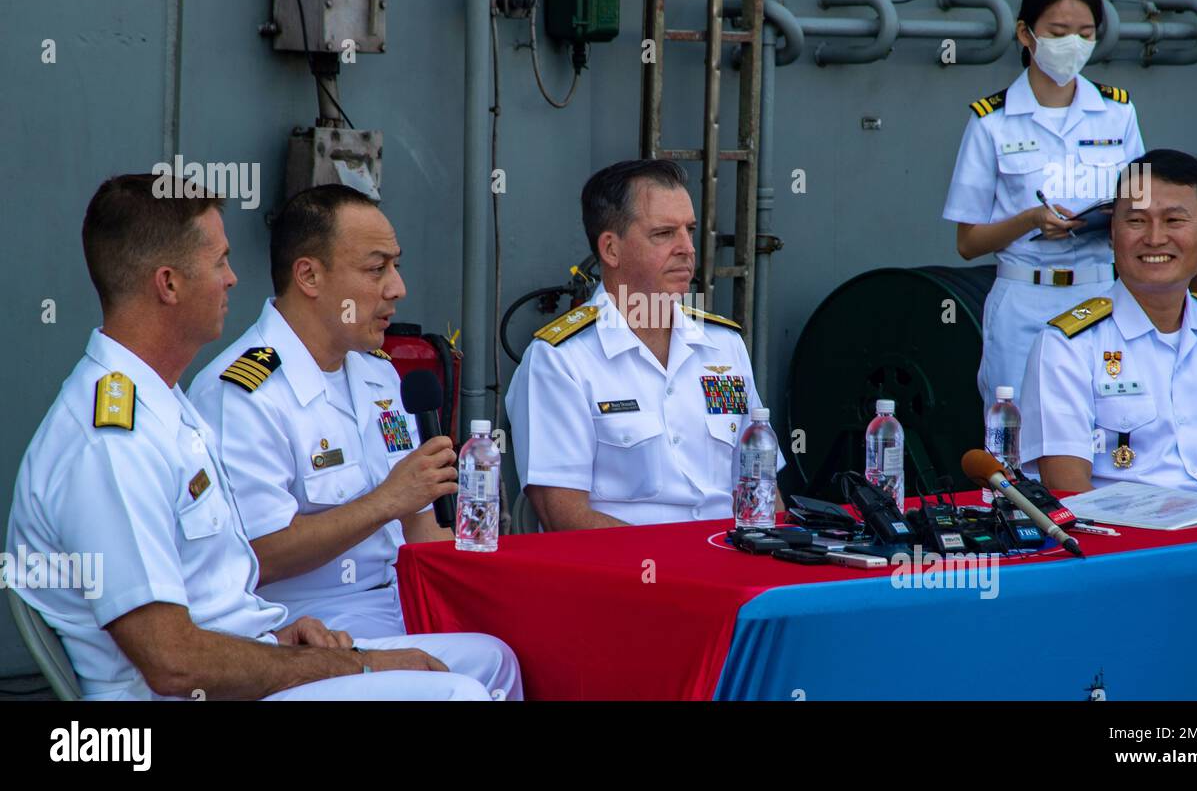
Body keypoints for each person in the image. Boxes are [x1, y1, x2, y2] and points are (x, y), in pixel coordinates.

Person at [5, 175, 521, 699]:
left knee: (492, 663)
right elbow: (172, 663)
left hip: (250, 658)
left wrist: (278, 638)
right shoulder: (113, 441)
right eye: (219, 262)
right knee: (459, 694)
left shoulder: (162, 405)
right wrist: (351, 666)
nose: (233, 279)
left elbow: (217, 601)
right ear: (168, 284)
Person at [188, 185, 485, 643]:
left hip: (401, 598)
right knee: (478, 670)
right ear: (308, 276)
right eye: (376, 268)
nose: (397, 288)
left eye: (396, 265)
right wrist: (387, 499)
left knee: (526, 644)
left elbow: (423, 527)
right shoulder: (244, 392)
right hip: (304, 624)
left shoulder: (378, 375)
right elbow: (257, 555)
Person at [505, 159, 785, 529]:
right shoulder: (560, 360)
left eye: (690, 230)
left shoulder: (725, 345)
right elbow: (566, 519)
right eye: (664, 234)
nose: (687, 248)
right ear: (611, 249)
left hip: (733, 569)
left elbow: (763, 489)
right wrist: (678, 574)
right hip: (629, 580)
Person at [1019, 150, 1197, 512]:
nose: (1154, 238)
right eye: (1136, 221)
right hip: (1135, 553)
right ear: (1111, 232)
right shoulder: (1067, 347)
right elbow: (1068, 488)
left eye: (1173, 220)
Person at [942, 0, 1146, 410]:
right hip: (1023, 297)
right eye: (1058, 31)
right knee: (1016, 434)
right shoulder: (990, 121)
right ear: (1025, 34)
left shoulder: (1118, 113)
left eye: (1085, 33)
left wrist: (1109, 221)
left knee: (1107, 427)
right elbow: (967, 243)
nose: (1073, 43)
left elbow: (1143, 208)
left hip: (1099, 295)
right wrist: (1031, 220)